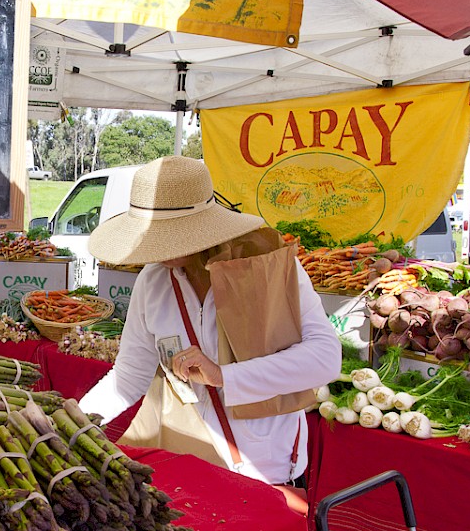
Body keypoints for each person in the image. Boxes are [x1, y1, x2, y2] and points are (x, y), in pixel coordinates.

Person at [78, 156, 342, 504]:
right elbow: (128, 377)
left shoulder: (270, 271)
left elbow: (324, 359)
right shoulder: (153, 281)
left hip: (263, 468)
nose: (159, 250)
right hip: (187, 462)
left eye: (169, 236)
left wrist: (225, 376)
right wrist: (75, 422)